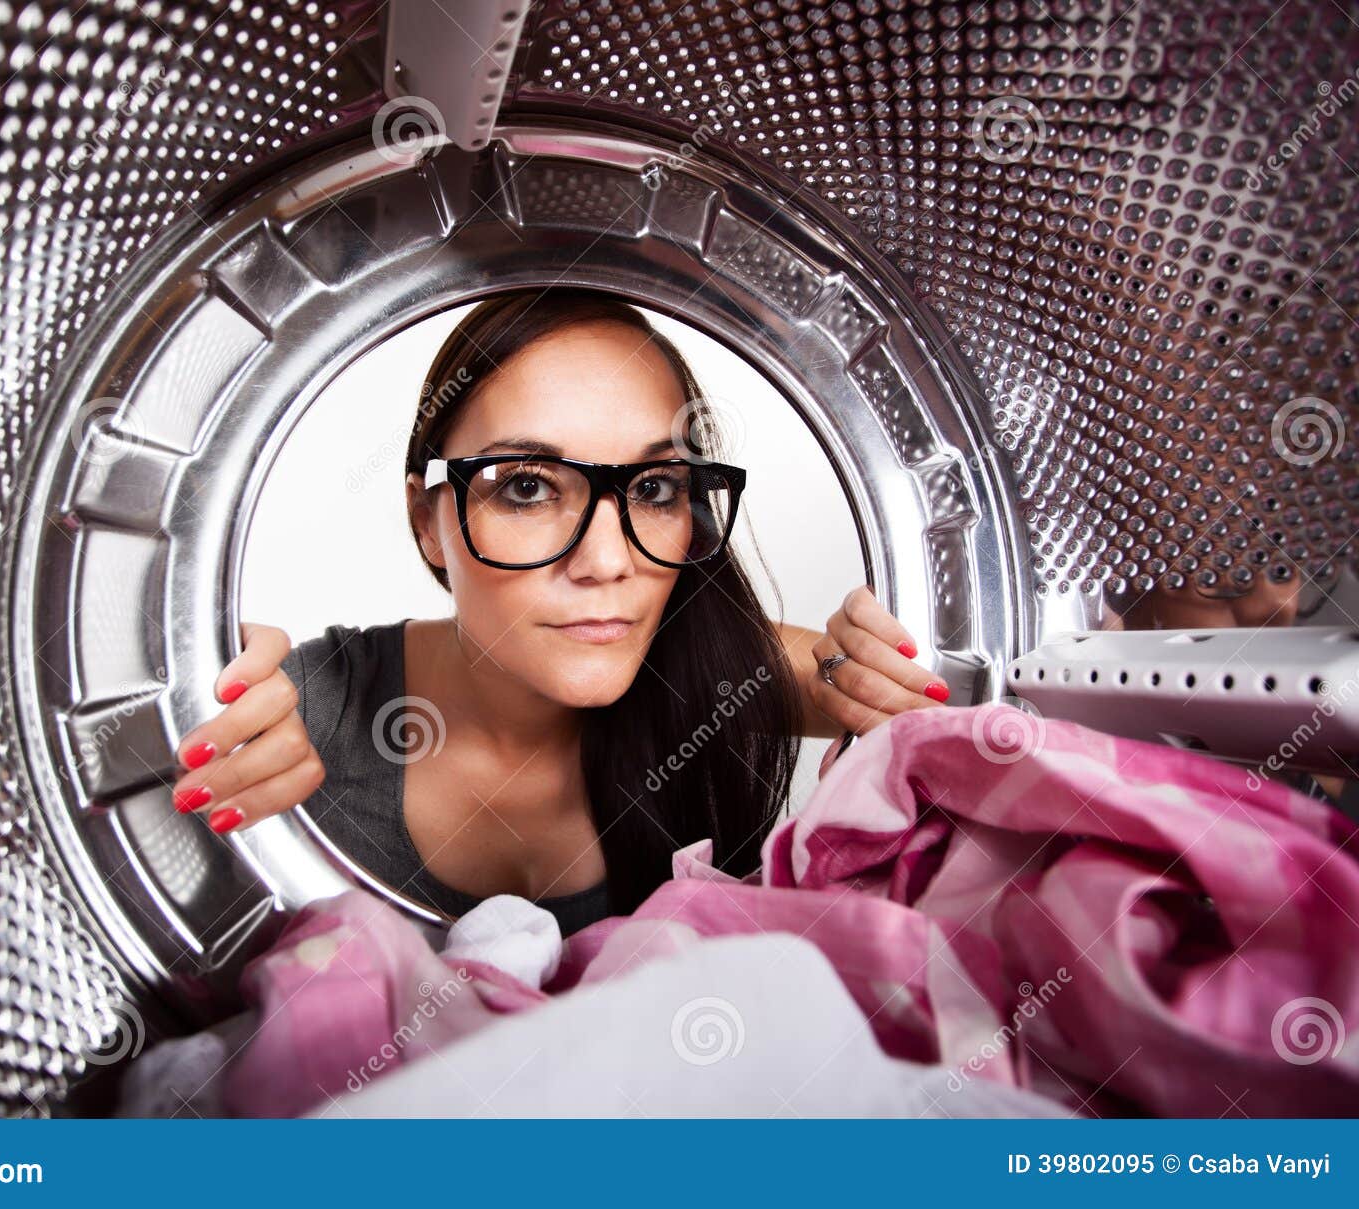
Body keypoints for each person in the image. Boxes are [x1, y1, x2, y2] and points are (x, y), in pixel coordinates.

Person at [167, 289, 950, 933]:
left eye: (653, 489)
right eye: (528, 487)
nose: (609, 562)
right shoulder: (309, 720)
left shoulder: (707, 671)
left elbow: (861, 680)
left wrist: (877, 672)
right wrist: (186, 699)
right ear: (426, 521)